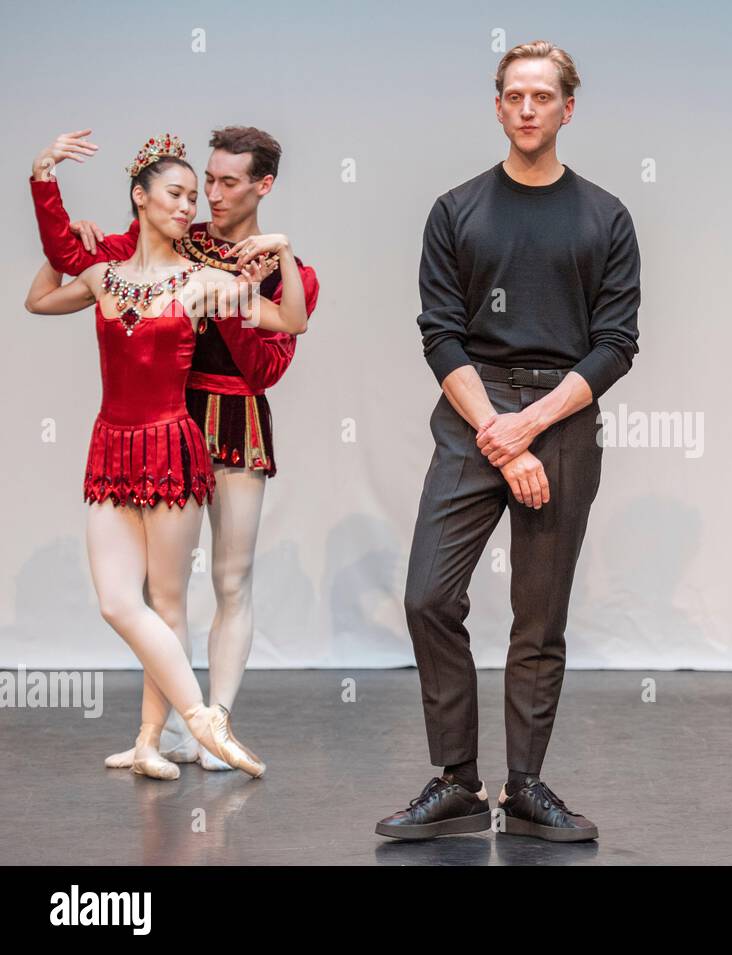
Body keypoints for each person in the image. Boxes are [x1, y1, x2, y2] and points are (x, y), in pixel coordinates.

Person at [376, 40, 639, 842]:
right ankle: (456, 782)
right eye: (514, 95)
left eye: (543, 96)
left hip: (559, 420)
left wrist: (531, 424)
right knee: (427, 594)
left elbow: (616, 343)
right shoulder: (456, 210)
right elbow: (440, 334)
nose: (528, 108)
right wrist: (499, 431)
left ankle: (524, 789)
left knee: (539, 613)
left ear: (567, 108)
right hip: (472, 414)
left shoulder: (605, 216)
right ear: (498, 107)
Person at [29, 126, 319, 772]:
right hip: (142, 432)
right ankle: (169, 733)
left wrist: (283, 257)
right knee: (140, 597)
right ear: (145, 197)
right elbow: (59, 284)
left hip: (203, 427)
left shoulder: (213, 274)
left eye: (212, 187)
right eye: (190, 188)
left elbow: (286, 329)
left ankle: (201, 722)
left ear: (260, 186)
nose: (199, 200)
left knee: (214, 584)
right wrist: (48, 188)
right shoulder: (139, 261)